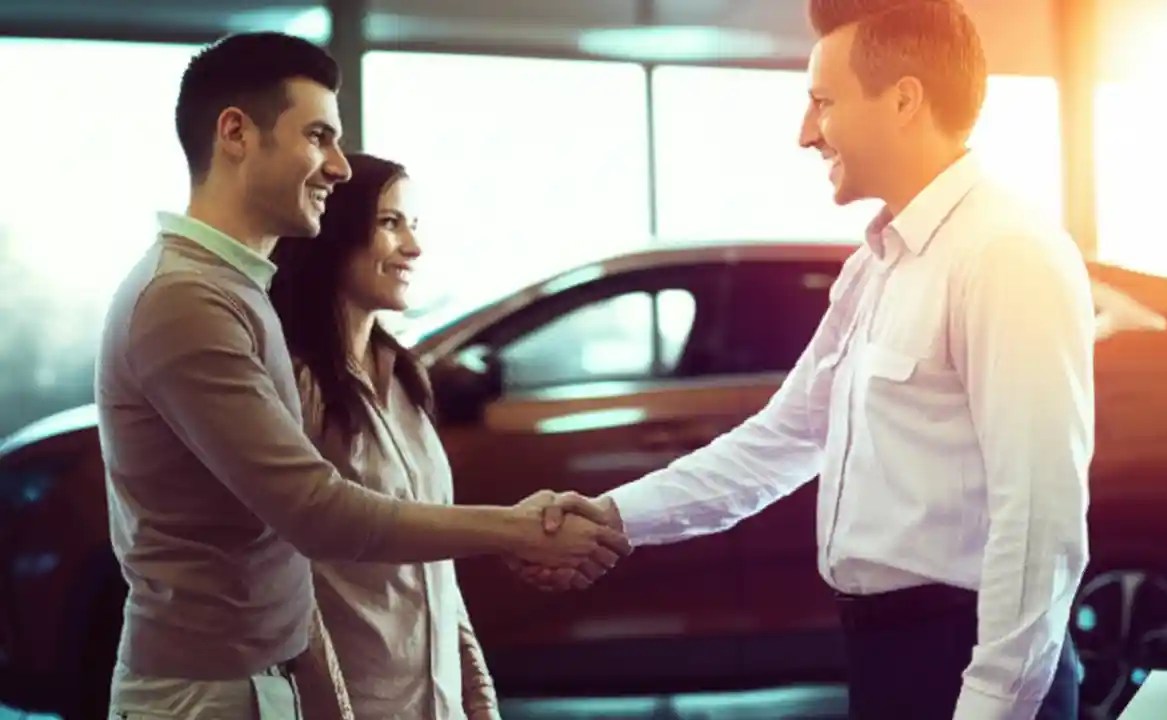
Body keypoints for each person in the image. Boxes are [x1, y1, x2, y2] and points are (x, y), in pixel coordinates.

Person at [521, 1, 1093, 718]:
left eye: (823, 102)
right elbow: (784, 438)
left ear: (905, 100)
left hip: (969, 664)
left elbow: (1041, 518)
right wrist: (616, 516)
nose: (804, 133)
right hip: (887, 655)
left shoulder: (1006, 252)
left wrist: (989, 705)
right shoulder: (876, 264)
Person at [95, 32, 627, 720]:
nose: (339, 167)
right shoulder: (184, 301)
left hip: (255, 685)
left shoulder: (235, 292)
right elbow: (317, 513)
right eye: (319, 136)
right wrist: (518, 530)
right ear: (235, 134)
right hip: (212, 694)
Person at [267, 153, 502, 719]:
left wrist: (478, 698)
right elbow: (284, 575)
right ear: (336, 233)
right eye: (391, 224)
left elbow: (437, 568)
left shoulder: (404, 377)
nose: (413, 249)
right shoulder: (293, 383)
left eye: (413, 227)